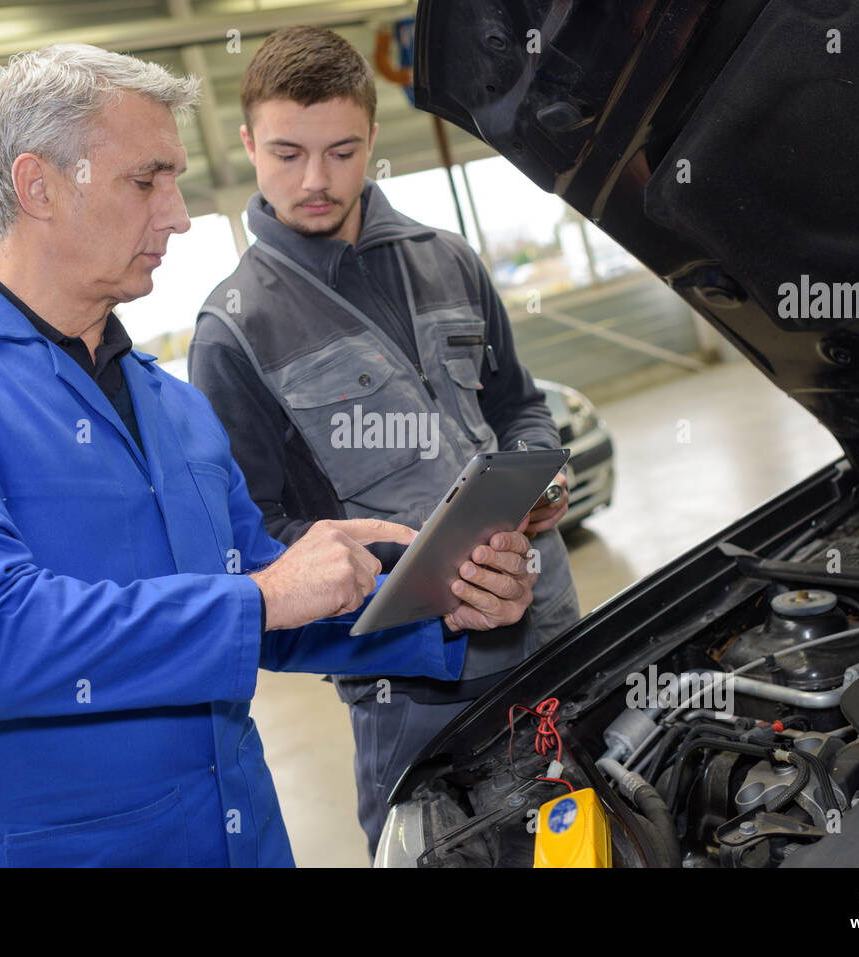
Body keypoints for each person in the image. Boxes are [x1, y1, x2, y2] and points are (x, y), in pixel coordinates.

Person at [0, 43, 539, 868]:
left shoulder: (174, 407)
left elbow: (273, 598)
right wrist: (261, 598)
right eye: (146, 180)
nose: (180, 214)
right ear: (37, 184)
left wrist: (446, 602)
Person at [189, 26, 579, 858]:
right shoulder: (233, 332)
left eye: (342, 150)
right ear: (249, 144)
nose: (317, 181)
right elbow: (257, 543)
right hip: (415, 684)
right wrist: (417, 581)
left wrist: (540, 472)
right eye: (288, 153)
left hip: (552, 621)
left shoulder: (449, 261)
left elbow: (520, 407)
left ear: (372, 138)